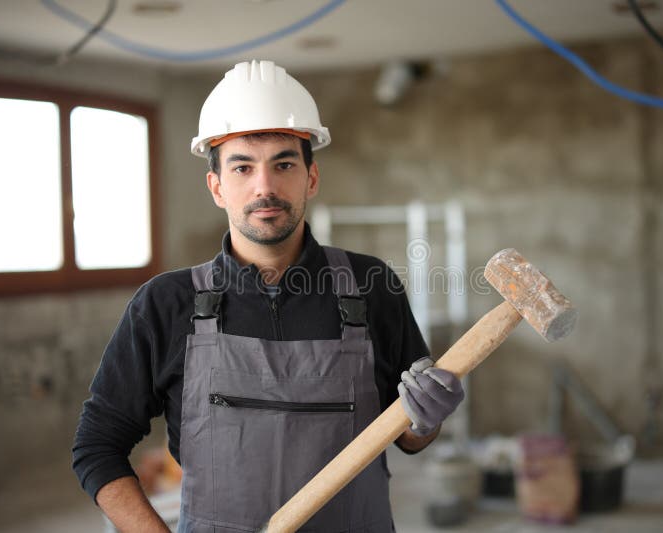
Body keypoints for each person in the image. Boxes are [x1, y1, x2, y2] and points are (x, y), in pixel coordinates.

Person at [72, 60, 464, 533]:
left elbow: (409, 438)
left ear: (311, 178)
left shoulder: (371, 286)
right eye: (243, 167)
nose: (265, 187)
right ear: (217, 186)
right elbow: (96, 446)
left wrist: (426, 421)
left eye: (283, 164)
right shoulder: (166, 303)